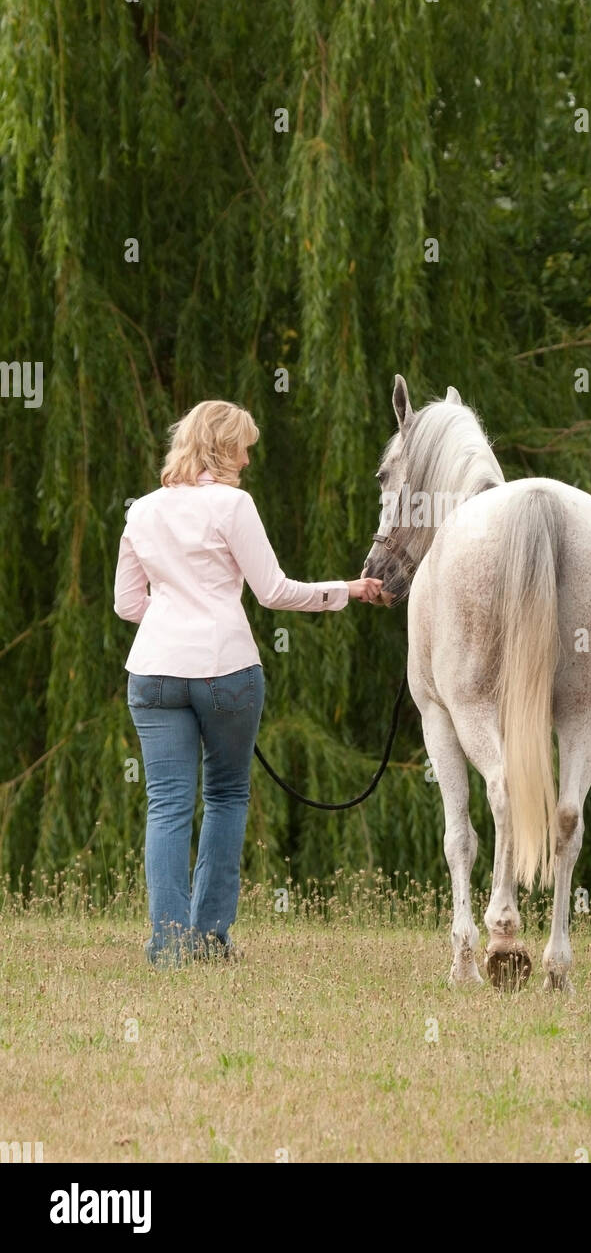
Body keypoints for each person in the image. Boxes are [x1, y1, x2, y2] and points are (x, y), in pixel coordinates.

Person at [113, 399, 382, 966]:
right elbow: (274, 591)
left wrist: (174, 613)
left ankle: (167, 947)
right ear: (221, 447)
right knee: (227, 795)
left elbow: (126, 604)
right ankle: (209, 938)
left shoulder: (142, 511)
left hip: (154, 673)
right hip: (226, 672)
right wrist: (350, 591)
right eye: (244, 448)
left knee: (165, 806)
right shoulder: (233, 505)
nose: (249, 460)